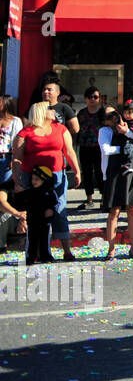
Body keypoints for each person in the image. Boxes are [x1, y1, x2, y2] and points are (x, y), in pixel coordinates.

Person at [12, 100, 81, 260]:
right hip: (32, 177)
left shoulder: (60, 128)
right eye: (50, 108)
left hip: (56, 175)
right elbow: (17, 159)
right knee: (35, 215)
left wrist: (77, 171)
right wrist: (17, 180)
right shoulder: (26, 132)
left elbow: (69, 151)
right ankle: (37, 252)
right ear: (41, 112)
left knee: (59, 210)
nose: (53, 111)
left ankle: (66, 250)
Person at [100, 104, 133, 260]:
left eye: (115, 114)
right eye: (109, 116)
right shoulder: (105, 131)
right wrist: (126, 148)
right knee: (114, 211)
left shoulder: (132, 125)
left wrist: (128, 132)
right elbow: (106, 149)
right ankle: (111, 249)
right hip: (115, 170)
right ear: (104, 120)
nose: (113, 118)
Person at [6, 166, 65, 264]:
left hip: (45, 221)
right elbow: (20, 202)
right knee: (31, 239)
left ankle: (45, 256)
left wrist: (52, 210)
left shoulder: (50, 192)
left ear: (44, 180)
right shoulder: (29, 192)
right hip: (32, 220)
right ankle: (31, 257)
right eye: (33, 179)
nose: (34, 181)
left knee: (44, 239)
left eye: (37, 179)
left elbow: (57, 203)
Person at [75, 88, 107, 209]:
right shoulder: (82, 113)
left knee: (101, 173)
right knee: (87, 173)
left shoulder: (103, 112)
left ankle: (104, 198)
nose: (92, 99)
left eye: (95, 97)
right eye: (89, 97)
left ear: (99, 98)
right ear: (85, 98)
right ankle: (89, 199)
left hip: (100, 147)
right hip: (84, 146)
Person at [0, 95, 23, 190]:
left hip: (7, 157)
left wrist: (14, 159)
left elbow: (16, 141)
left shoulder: (15, 121)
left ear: (6, 104)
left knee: (4, 185)